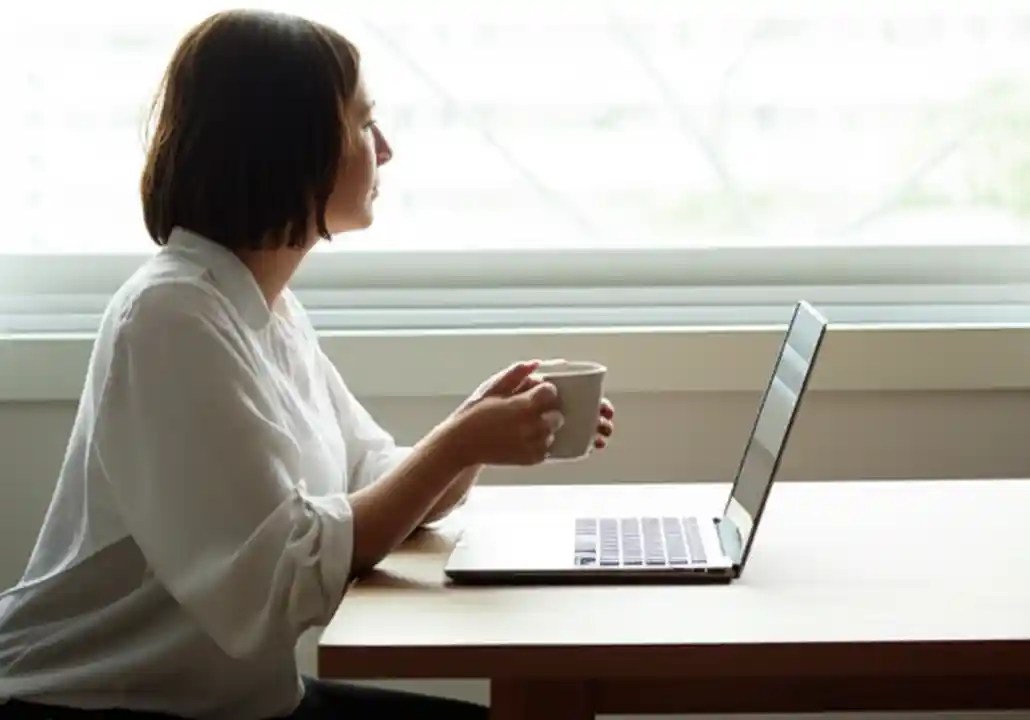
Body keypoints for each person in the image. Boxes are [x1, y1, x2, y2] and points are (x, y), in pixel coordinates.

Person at [0, 9, 615, 719]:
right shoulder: (170, 319)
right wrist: (462, 443)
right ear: (286, 145)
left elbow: (370, 486)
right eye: (361, 123)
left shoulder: (265, 311)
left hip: (237, 703)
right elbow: (282, 580)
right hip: (105, 707)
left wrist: (480, 431)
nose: (384, 149)